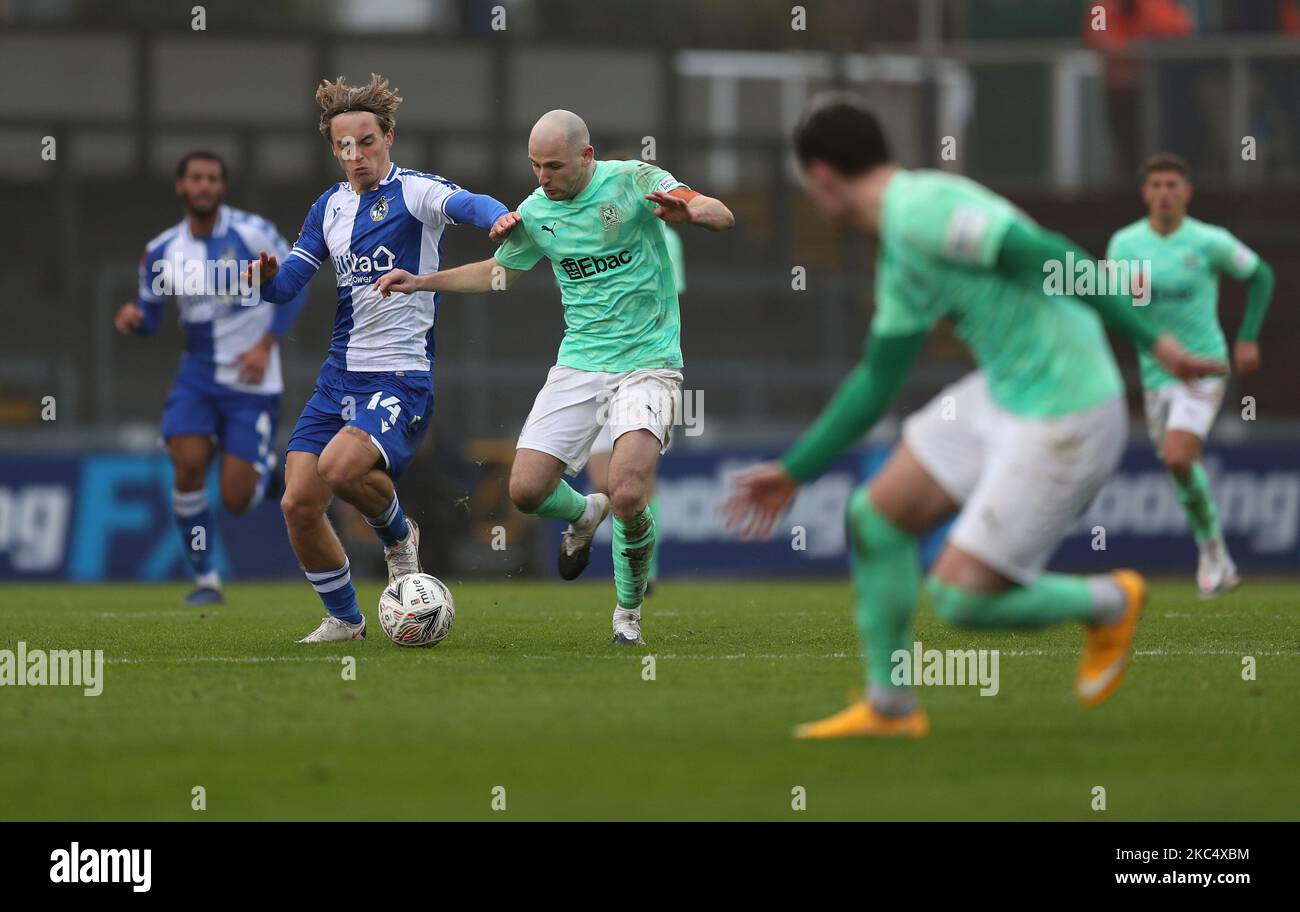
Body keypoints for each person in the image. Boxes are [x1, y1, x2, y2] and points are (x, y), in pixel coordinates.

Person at [721, 93, 1224, 738]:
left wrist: (1154, 342)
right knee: (875, 520)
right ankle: (891, 709)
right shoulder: (899, 252)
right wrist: (796, 472)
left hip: (1065, 407)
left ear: (820, 175)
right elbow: (877, 379)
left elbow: (1052, 256)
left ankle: (1110, 600)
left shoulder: (924, 209)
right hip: (1003, 394)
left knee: (960, 598)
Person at [377, 109, 734, 646]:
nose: (543, 177)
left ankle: (627, 618)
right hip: (579, 366)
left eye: (554, 166)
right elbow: (499, 274)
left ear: (587, 157)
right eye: (535, 166)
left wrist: (697, 213)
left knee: (630, 491)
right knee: (525, 491)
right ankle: (585, 513)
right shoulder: (537, 211)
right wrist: (423, 281)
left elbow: (718, 211)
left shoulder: (633, 180)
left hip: (648, 364)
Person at [251, 74, 515, 643]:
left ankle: (400, 542)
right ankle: (346, 621)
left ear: (388, 136)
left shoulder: (415, 192)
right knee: (298, 501)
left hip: (400, 375)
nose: (356, 155)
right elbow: (290, 281)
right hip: (339, 376)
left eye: (366, 141)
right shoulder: (330, 207)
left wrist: (498, 218)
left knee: (339, 469)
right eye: (344, 146)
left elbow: (468, 202)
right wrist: (269, 280)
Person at [115, 150, 306, 605]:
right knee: (187, 464)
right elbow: (151, 317)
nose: (203, 186)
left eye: (212, 178)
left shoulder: (251, 231)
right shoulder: (162, 250)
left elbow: (295, 283)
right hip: (198, 378)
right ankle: (206, 580)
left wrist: (265, 344)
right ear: (181, 186)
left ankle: (269, 474)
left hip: (251, 381)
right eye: (195, 178)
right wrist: (133, 319)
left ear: (222, 187)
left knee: (237, 499)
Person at [1106, 153, 1274, 596]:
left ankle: (1214, 556)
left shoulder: (1208, 241)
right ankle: (1214, 554)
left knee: (1179, 457)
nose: (1164, 193)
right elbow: (1120, 309)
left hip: (1206, 367)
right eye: (1156, 185)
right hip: (1156, 375)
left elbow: (1261, 275)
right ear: (1145, 193)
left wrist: (1248, 337)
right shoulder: (1124, 246)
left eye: (1172, 185)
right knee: (1179, 468)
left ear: (1187, 193)